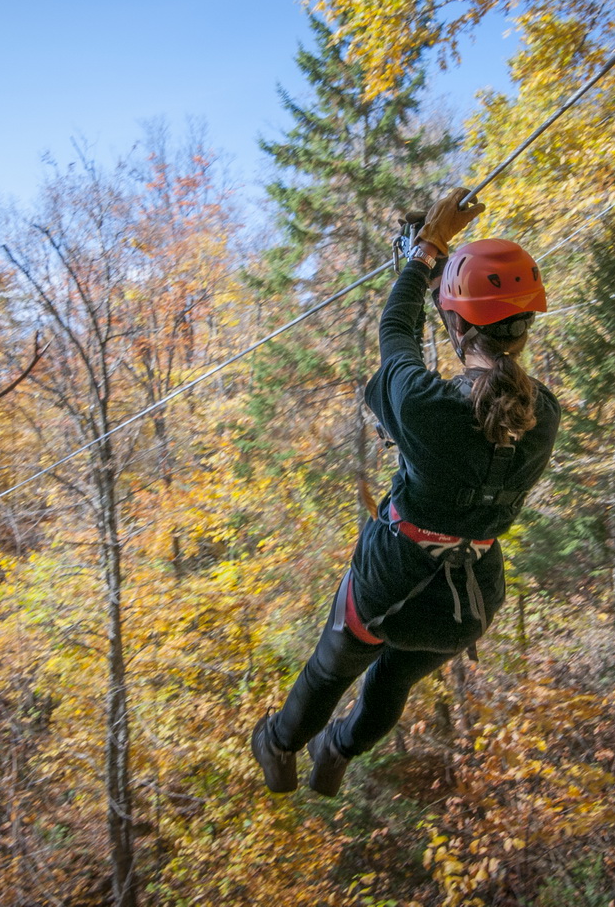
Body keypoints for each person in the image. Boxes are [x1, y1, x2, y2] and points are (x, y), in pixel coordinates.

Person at [250, 186, 562, 796]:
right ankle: (335, 755)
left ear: (453, 323)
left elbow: (394, 334)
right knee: (390, 685)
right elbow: (467, 406)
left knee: (332, 668)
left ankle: (280, 744)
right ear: (525, 332)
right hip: (465, 605)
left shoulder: (426, 407)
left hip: (393, 582)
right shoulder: (542, 414)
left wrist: (425, 251)